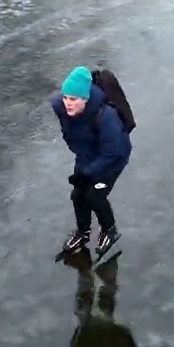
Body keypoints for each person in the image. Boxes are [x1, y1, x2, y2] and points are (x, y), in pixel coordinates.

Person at [52, 66, 133, 258]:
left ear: (85, 99)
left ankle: (109, 230)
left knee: (95, 195)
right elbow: (72, 138)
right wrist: (83, 167)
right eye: (65, 98)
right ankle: (83, 233)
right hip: (87, 155)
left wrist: (88, 173)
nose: (68, 103)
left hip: (114, 159)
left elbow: (112, 152)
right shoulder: (65, 112)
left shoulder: (106, 117)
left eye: (73, 99)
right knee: (78, 195)